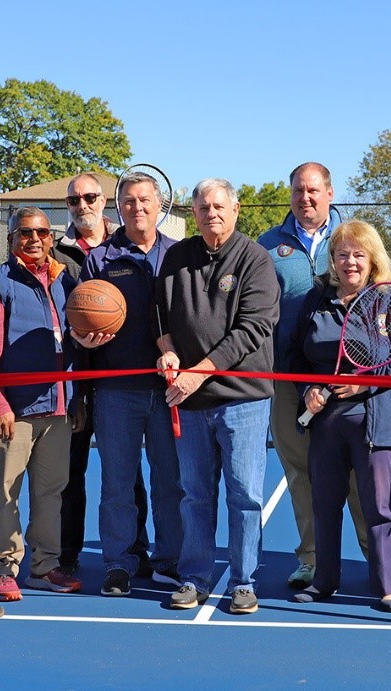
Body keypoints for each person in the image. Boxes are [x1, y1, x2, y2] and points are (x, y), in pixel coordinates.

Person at [156, 178, 279, 614]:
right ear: (193, 213)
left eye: (219, 206)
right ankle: (195, 577)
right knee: (194, 494)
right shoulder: (176, 258)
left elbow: (252, 329)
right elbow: (160, 318)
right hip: (190, 401)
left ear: (235, 209)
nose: (211, 213)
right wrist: (168, 351)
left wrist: (197, 373)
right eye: (203, 207)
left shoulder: (256, 259)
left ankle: (244, 581)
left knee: (244, 494)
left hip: (242, 398)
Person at [288, 220, 391, 612]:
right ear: (332, 259)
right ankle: (324, 580)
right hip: (326, 422)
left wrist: (364, 384)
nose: (350, 262)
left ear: (372, 258)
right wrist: (308, 390)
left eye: (358, 254)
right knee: (324, 503)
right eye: (342, 254)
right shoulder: (317, 300)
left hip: (376, 420)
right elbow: (296, 356)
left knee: (379, 505)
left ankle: (388, 585)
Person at [258, 162, 372, 591]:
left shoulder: (355, 237)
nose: (305, 198)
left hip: (355, 383)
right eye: (298, 191)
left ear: (329, 193)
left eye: (313, 190)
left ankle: (378, 557)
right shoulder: (268, 245)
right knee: (300, 471)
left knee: (360, 473)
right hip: (290, 379)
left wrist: (364, 373)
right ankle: (311, 559)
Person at [80, 173, 184, 596]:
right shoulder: (100, 258)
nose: (136, 207)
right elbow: (80, 319)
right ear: (118, 207)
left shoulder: (179, 255)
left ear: (160, 205)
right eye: (128, 201)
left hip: (169, 388)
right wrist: (83, 337)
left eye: (144, 200)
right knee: (117, 484)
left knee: (170, 482)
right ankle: (119, 563)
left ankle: (170, 559)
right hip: (116, 388)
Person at [0, 207, 82, 602]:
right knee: (7, 492)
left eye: (41, 232)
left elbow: (74, 342)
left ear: (51, 238)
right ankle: (4, 568)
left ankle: (44, 565)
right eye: (25, 232)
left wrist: (76, 397)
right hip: (15, 411)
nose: (34, 239)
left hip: (59, 407)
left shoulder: (65, 280)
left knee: (51, 492)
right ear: (11, 239)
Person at [54, 174, 150, 576]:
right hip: (75, 379)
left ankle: (136, 548)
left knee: (129, 474)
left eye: (90, 197)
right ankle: (67, 553)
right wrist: (76, 337)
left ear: (104, 200)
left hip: (119, 379)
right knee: (70, 471)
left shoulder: (124, 247)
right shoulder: (54, 252)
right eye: (74, 199)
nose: (83, 205)